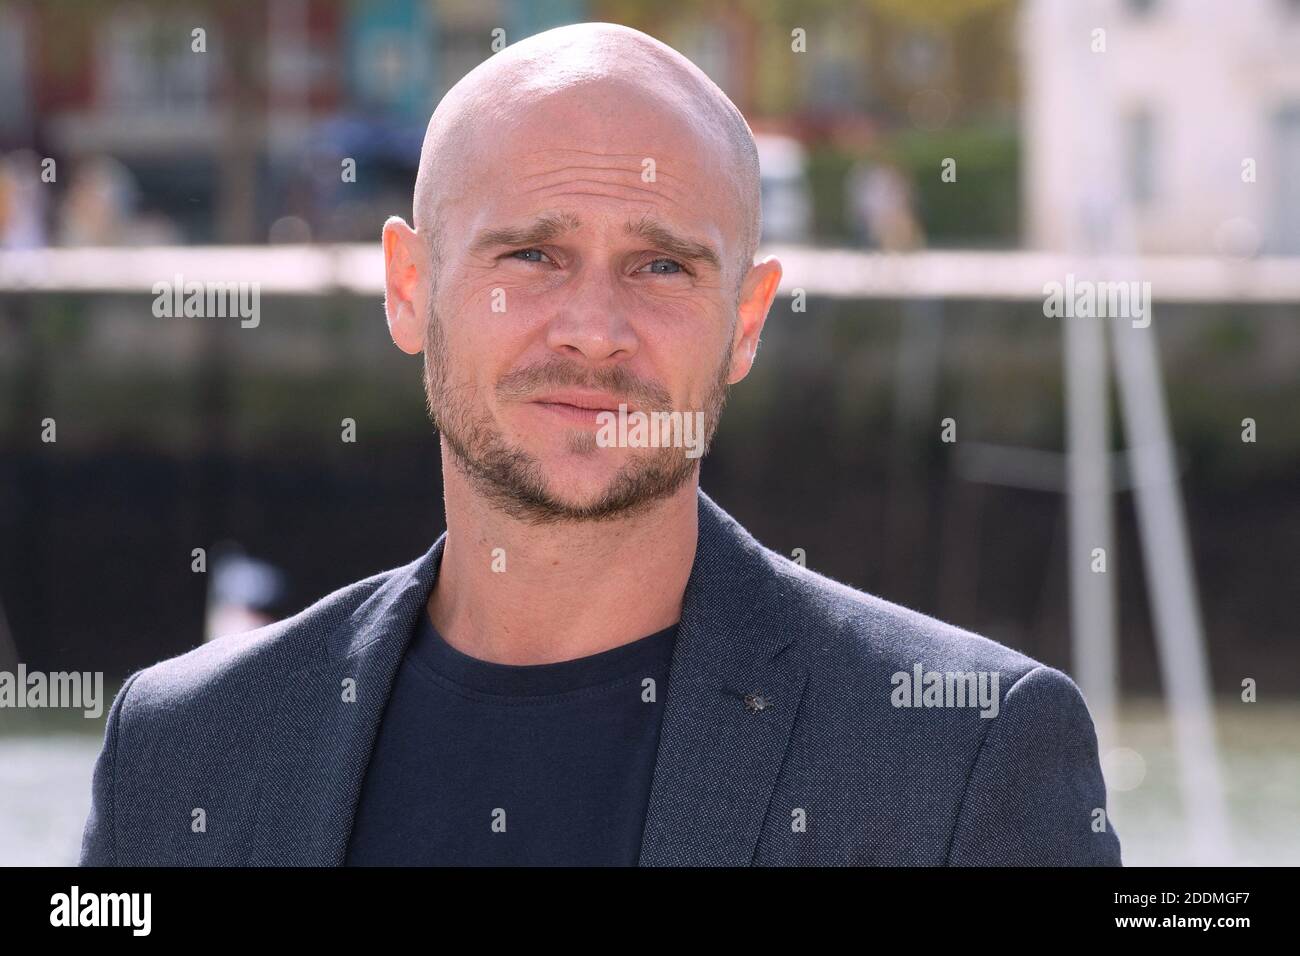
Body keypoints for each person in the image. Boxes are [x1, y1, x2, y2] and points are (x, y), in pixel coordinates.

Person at [80, 22, 1120, 867]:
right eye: (532, 253)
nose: (593, 327)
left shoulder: (959, 758)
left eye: (662, 267)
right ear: (410, 287)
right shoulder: (184, 752)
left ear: (746, 320)